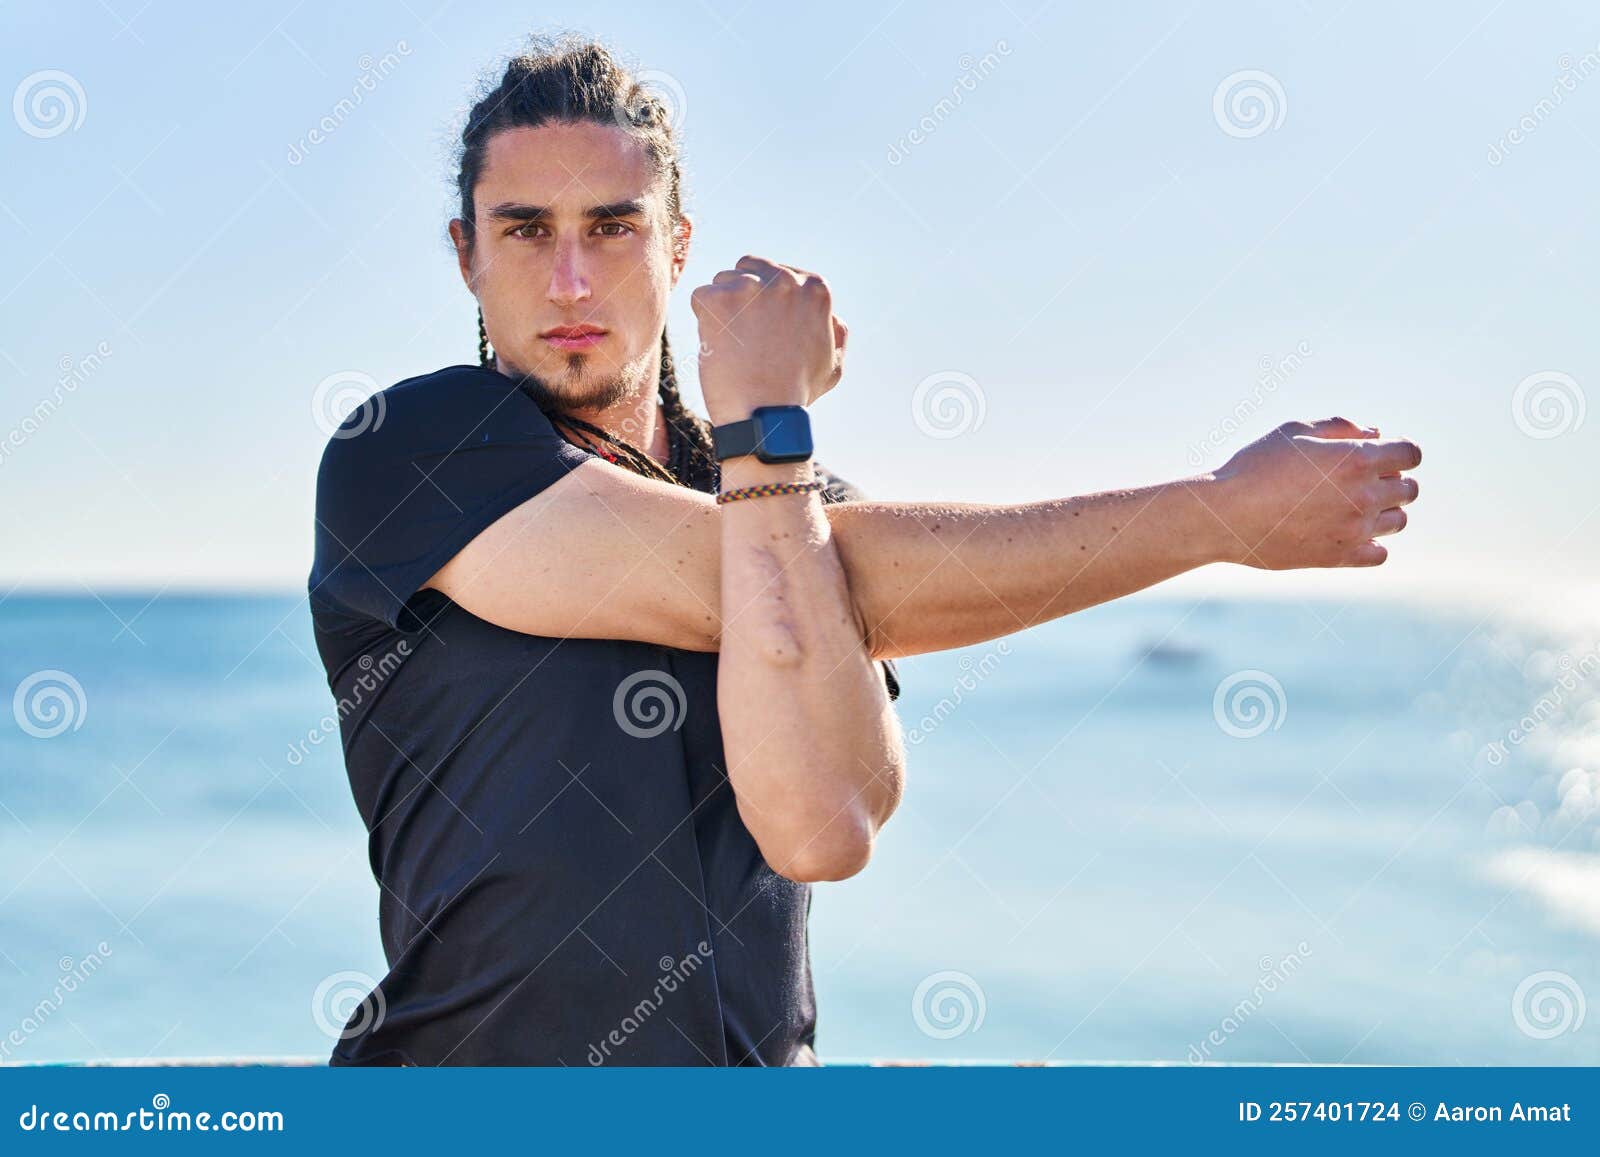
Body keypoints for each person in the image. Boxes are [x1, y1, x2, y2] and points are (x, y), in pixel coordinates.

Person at [307, 35, 1421, 1067]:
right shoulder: (409, 450)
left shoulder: (795, 506)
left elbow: (820, 826)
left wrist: (764, 460)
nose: (568, 280)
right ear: (465, 254)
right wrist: (1217, 516)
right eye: (523, 229)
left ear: (676, 243)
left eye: (610, 226)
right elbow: (721, 576)